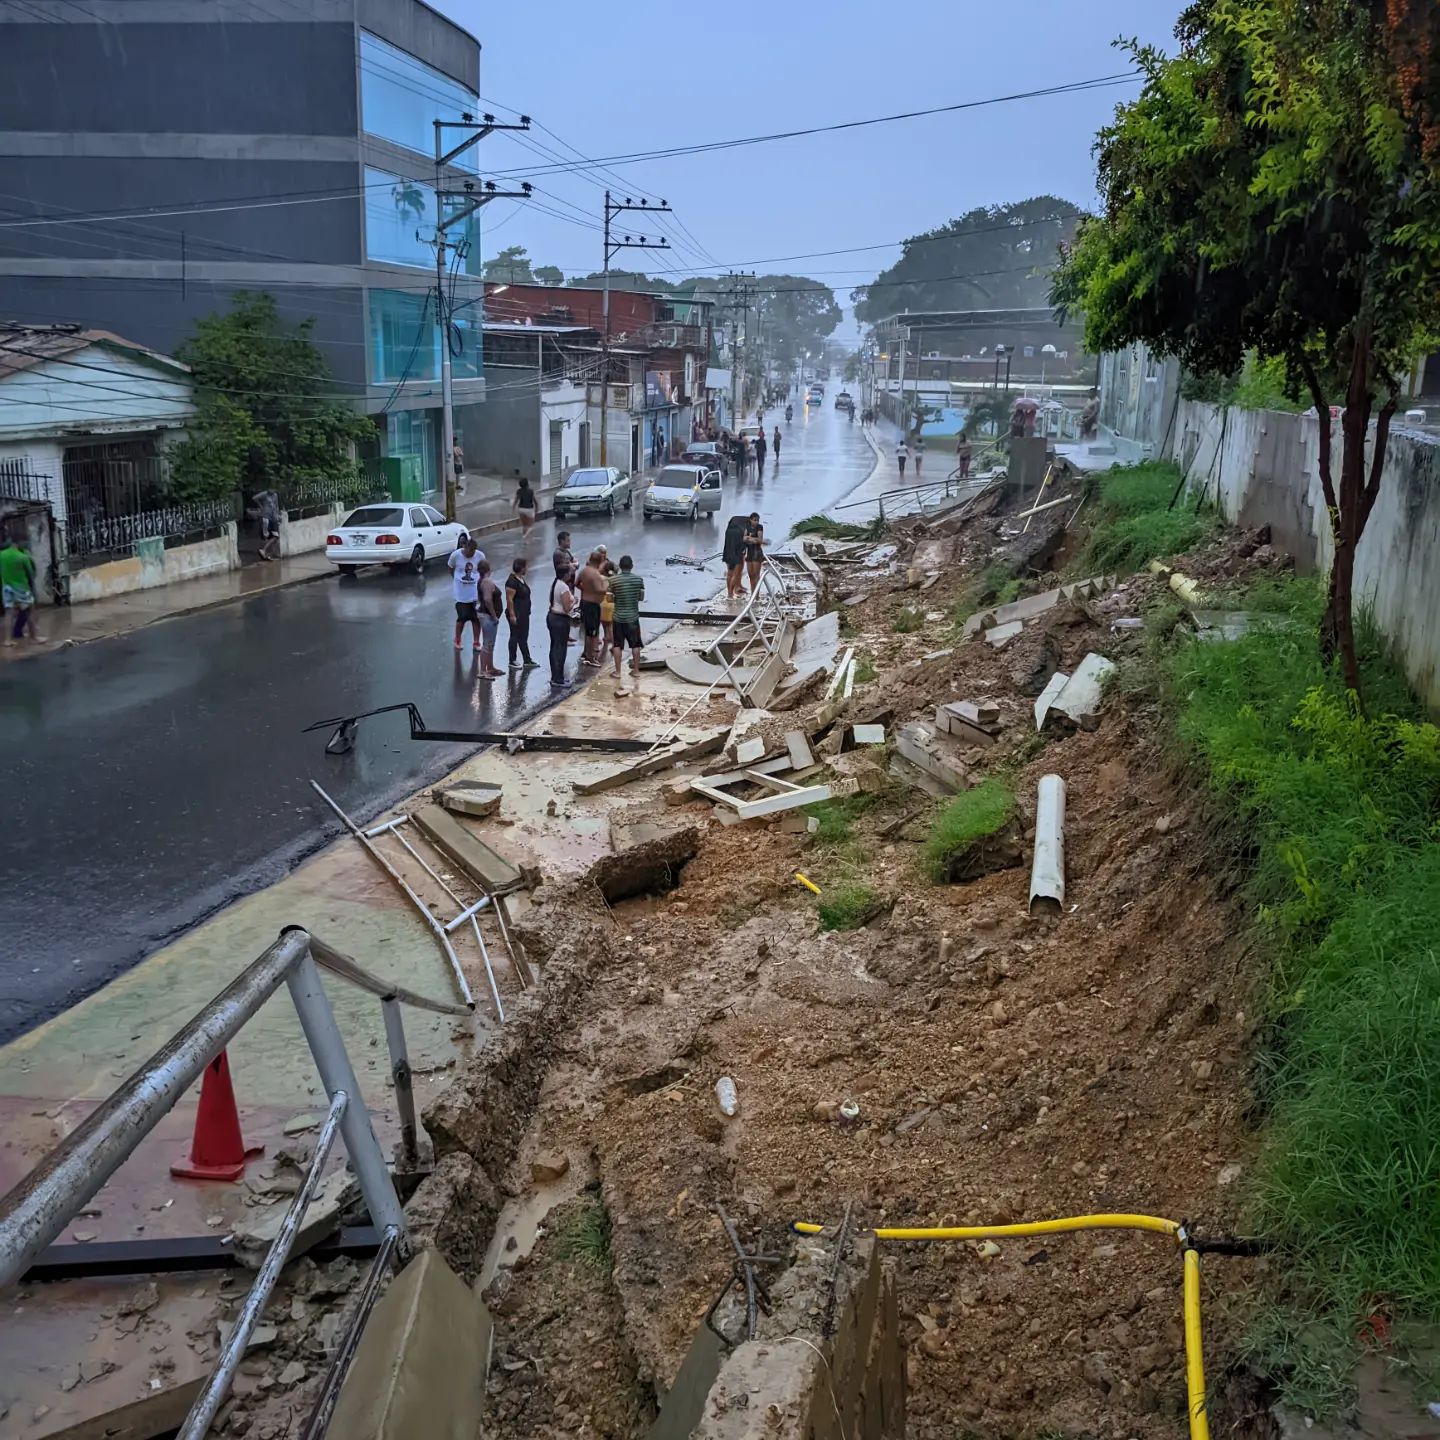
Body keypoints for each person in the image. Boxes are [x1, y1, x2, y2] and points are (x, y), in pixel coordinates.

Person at [608, 554, 645, 681]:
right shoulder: (638, 580)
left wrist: (618, 597)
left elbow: (609, 598)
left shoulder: (613, 580)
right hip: (633, 617)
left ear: (620, 566)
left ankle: (618, 672)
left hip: (618, 617)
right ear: (632, 566)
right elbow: (641, 597)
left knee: (617, 645)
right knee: (635, 645)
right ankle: (636, 670)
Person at [1, 533, 38, 646]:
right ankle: (34, 638)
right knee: (30, 610)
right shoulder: (23, 557)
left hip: (6, 587)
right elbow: (30, 574)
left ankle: (7, 640)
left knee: (9, 613)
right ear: (20, 543)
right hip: (21, 587)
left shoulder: (1, 555)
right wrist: (33, 592)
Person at [448, 536, 484, 653]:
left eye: (473, 552)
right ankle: (457, 639)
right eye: (469, 551)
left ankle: (476, 641)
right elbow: (450, 567)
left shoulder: (480, 556)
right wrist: (456, 579)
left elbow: (484, 570)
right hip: (461, 593)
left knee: (476, 618)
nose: (471, 554)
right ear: (465, 547)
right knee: (462, 617)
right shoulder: (456, 555)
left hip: (475, 592)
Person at [575, 551, 607, 667]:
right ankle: (591, 657)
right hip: (593, 605)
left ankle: (585, 653)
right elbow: (599, 589)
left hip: (585, 602)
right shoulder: (595, 574)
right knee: (592, 632)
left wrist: (585, 589)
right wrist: (607, 587)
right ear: (599, 562)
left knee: (588, 630)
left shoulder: (584, 571)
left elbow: (577, 583)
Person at [504, 557, 537, 669]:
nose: (527, 568)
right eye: (525, 566)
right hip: (516, 613)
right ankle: (512, 659)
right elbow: (509, 599)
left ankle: (527, 659)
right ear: (521, 568)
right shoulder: (512, 582)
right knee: (515, 635)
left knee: (523, 637)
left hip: (524, 613)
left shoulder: (520, 579)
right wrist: (512, 615)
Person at [546, 566, 576, 687]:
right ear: (565, 574)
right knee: (560, 649)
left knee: (554, 647)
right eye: (569, 572)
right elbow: (567, 607)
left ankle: (555, 676)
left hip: (552, 616)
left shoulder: (555, 583)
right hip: (560, 619)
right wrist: (574, 601)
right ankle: (558, 678)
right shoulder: (563, 587)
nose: (571, 574)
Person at [476, 561, 505, 678]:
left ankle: (490, 667)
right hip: (488, 616)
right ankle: (483, 671)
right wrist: (494, 615)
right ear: (489, 569)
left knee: (490, 643)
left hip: (485, 615)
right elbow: (488, 600)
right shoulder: (487, 582)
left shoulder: (481, 581)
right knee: (487, 644)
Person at [722, 513, 747, 599]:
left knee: (731, 572)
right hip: (737, 551)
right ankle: (730, 594)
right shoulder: (746, 529)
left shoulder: (731, 528)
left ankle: (735, 589)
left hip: (729, 550)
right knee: (735, 572)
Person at [254, 488, 281, 562]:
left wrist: (277, 515)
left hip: (273, 518)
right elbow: (254, 498)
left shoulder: (275, 495)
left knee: (275, 537)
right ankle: (264, 551)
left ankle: (266, 552)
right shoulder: (265, 494)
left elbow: (276, 506)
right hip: (266, 517)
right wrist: (261, 506)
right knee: (270, 536)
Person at [742, 512, 765, 594]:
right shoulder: (747, 527)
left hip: (757, 552)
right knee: (751, 575)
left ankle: (757, 594)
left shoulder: (759, 527)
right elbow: (744, 538)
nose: (756, 522)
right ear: (750, 520)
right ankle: (753, 593)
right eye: (755, 520)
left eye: (757, 520)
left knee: (756, 575)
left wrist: (750, 539)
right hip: (749, 552)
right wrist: (751, 539)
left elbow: (759, 540)